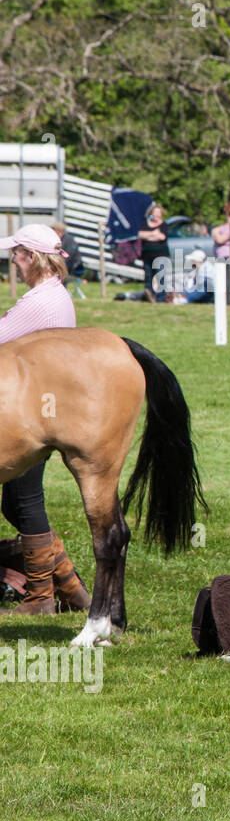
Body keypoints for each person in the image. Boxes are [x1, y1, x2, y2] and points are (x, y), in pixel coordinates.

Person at [0, 224, 93, 616]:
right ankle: (72, 593)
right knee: (19, 503)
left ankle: (41, 598)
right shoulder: (53, 294)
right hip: (40, 405)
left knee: (24, 502)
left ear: (33, 257)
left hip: (27, 412)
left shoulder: (39, 303)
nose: (13, 263)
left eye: (17, 255)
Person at [137, 203, 169, 301]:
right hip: (147, 255)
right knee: (148, 276)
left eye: (159, 213)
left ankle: (161, 298)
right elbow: (140, 235)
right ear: (151, 213)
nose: (157, 215)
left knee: (161, 277)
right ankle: (149, 295)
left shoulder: (164, 225)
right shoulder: (144, 224)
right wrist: (153, 234)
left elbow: (162, 237)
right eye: (155, 213)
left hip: (160, 255)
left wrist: (148, 236)